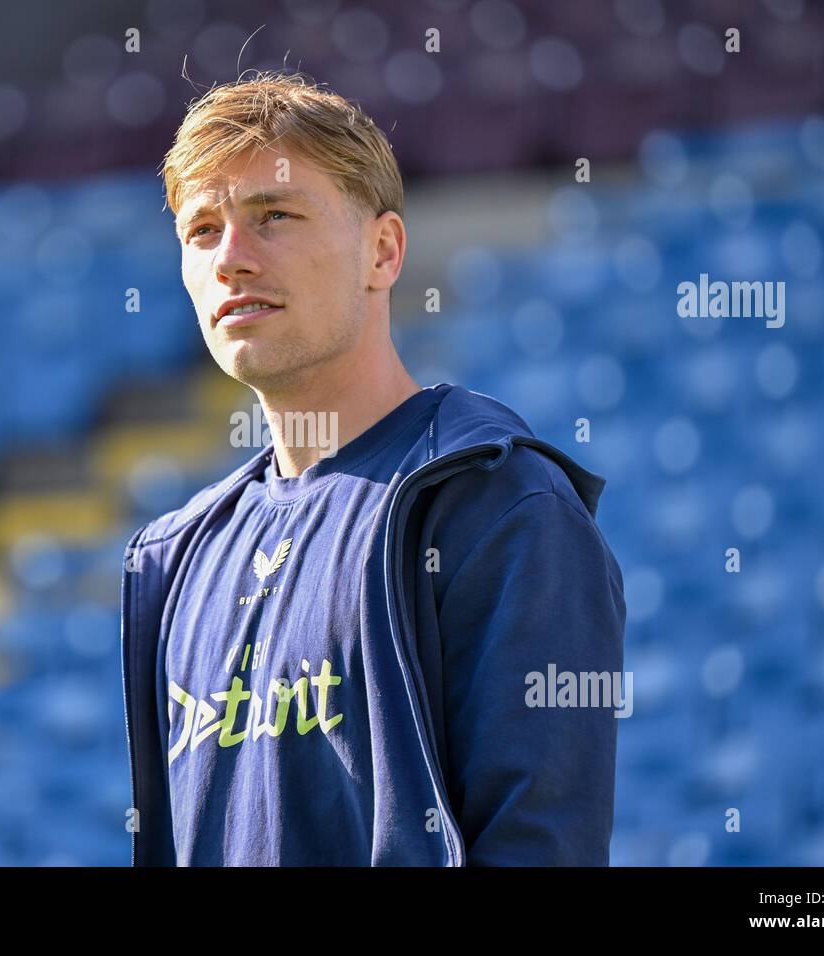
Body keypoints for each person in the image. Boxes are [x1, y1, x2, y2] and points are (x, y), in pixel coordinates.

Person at [120, 71, 626, 866]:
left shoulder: (491, 499)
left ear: (382, 251)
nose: (231, 260)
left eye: (273, 216)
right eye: (202, 230)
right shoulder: (174, 559)